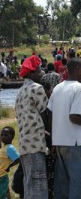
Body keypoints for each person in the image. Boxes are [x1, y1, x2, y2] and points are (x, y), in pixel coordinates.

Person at [47, 58, 81, 199]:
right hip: (74, 142)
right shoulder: (79, 88)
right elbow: (74, 117)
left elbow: (50, 114)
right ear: (76, 69)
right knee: (78, 185)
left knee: (62, 185)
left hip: (59, 142)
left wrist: (53, 139)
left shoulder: (58, 87)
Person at [15, 55, 49, 199]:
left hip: (24, 146)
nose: (41, 73)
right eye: (39, 70)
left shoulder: (20, 92)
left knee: (29, 186)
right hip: (36, 145)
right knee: (39, 187)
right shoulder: (37, 88)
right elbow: (46, 113)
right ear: (31, 73)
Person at [0, 126, 20, 199]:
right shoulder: (4, 147)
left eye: (6, 135)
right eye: (2, 135)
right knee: (4, 193)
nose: (3, 137)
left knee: (1, 195)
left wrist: (9, 166)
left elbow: (18, 159)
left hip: (2, 175)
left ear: (12, 137)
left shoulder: (10, 148)